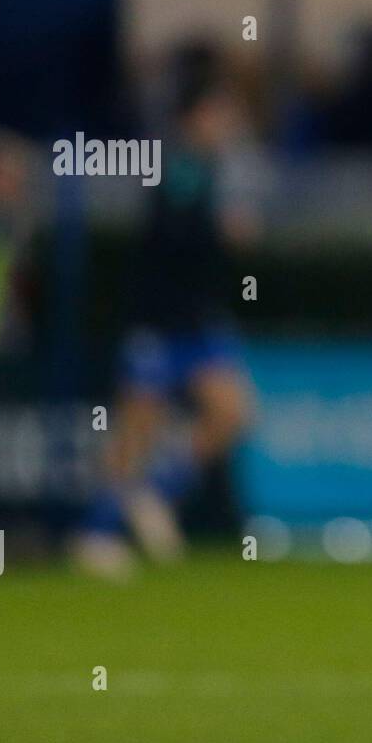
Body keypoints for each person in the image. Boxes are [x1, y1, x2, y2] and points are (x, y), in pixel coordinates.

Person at [74, 53, 258, 575]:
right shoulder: (179, 165)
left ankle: (155, 494)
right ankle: (96, 534)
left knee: (231, 411)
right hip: (157, 322)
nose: (227, 125)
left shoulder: (206, 168)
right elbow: (170, 235)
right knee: (138, 429)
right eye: (219, 113)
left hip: (198, 321)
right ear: (195, 116)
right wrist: (220, 231)